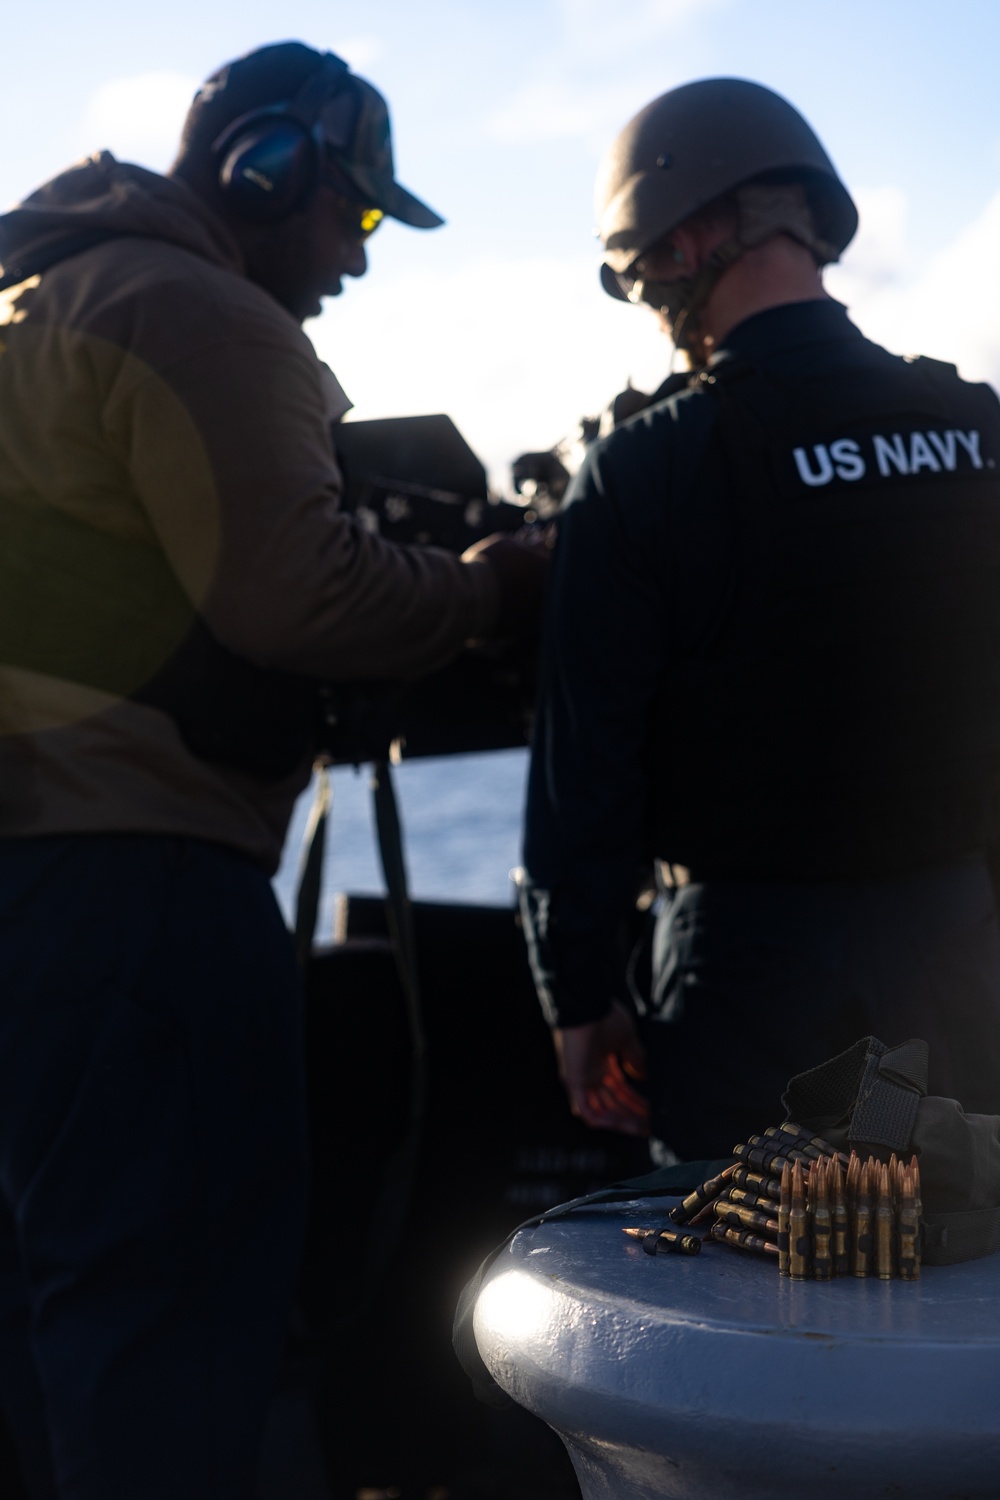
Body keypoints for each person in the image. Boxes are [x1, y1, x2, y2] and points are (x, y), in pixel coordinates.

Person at [0, 41, 542, 1500]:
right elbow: (304, 596)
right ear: (264, 167)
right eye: (352, 212)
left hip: (31, 886)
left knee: (48, 1326)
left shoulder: (38, 296)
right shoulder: (199, 311)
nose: (357, 255)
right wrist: (489, 586)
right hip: (143, 892)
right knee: (169, 1328)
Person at [520, 77, 1000, 1164]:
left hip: (750, 973)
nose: (651, 303)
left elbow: (585, 773)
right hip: (958, 952)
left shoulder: (648, 466)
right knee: (962, 1252)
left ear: (686, 244)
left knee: (750, 1263)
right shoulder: (976, 429)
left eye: (639, 275)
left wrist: (578, 995)